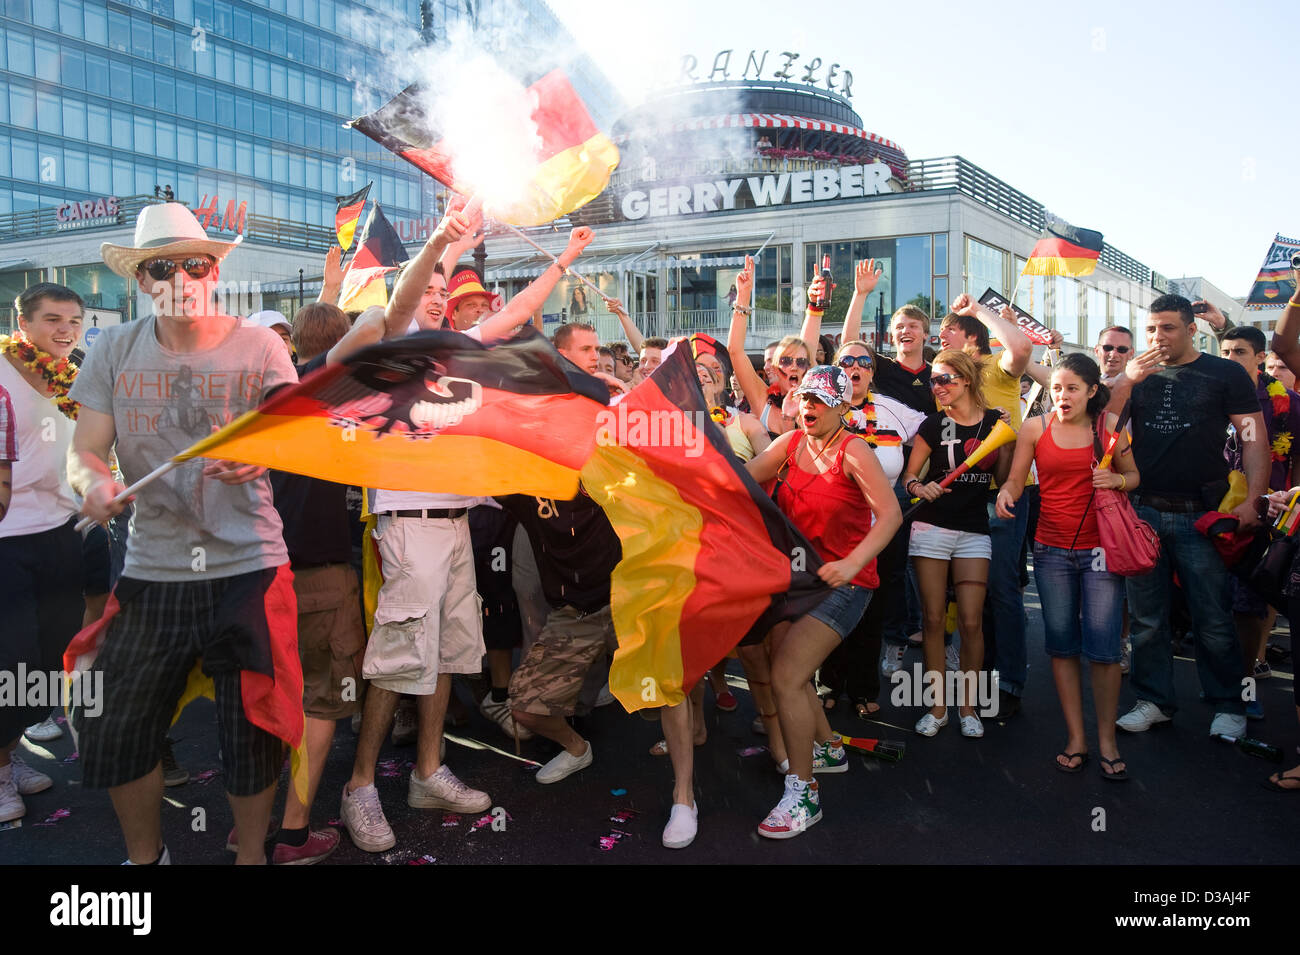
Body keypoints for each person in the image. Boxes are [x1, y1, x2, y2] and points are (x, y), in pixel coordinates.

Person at [70, 202, 298, 865]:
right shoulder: (113, 347)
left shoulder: (261, 345)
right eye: (162, 266)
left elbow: (291, 434)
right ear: (142, 279)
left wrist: (266, 453)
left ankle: (251, 856)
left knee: (252, 728)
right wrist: (93, 484)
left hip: (248, 563)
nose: (181, 276)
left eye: (195, 262)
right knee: (114, 728)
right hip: (153, 567)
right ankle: (147, 862)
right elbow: (85, 450)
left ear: (213, 269)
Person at [743, 362, 901, 837]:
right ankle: (828, 746)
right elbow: (740, 484)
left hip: (846, 584)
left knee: (787, 675)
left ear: (843, 406)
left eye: (821, 400)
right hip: (800, 580)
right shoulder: (789, 444)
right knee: (789, 666)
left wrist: (853, 564)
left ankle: (803, 793)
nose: (809, 407)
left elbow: (890, 516)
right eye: (805, 397)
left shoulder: (853, 451)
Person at [1114, 294, 1265, 740]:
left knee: (1214, 619)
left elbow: (1253, 436)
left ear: (1191, 329)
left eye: (1168, 328)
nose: (1158, 337)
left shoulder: (1225, 372)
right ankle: (1153, 701)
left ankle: (1228, 705)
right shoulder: (1136, 375)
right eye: (1152, 329)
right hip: (1144, 512)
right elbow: (1103, 428)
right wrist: (1127, 379)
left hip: (1202, 515)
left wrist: (1254, 499)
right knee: (1146, 620)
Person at [996, 354, 1138, 780]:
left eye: (1072, 388)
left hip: (1100, 550)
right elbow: (1016, 479)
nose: (1062, 396)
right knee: (1061, 646)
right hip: (1050, 551)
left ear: (1092, 391)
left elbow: (1134, 476)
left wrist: (1117, 479)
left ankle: (1107, 741)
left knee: (1104, 650)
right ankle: (1077, 737)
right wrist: (1007, 492)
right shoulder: (1035, 428)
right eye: (1057, 388)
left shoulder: (1109, 430)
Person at [258, 302, 365, 864]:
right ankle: (294, 833)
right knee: (322, 704)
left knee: (268, 700)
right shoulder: (340, 399)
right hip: (322, 575)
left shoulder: (264, 397)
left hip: (260, 574)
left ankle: (249, 827)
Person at [0, 283, 85, 824]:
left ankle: (14, 744)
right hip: (7, 538)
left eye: (74, 321)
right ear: (22, 323)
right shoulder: (3, 373)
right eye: (52, 319)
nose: (65, 330)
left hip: (62, 532)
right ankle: (2, 767)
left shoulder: (71, 378)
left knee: (51, 655)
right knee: (10, 657)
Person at [901, 349, 1009, 738]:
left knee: (971, 621)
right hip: (931, 528)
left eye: (945, 379)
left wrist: (1006, 440)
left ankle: (968, 708)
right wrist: (920, 486)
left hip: (974, 530)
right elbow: (908, 477)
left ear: (966, 380)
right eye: (934, 380)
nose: (939, 386)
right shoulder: (933, 425)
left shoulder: (995, 423)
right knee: (932, 620)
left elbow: (1004, 475)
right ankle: (937, 707)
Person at [938, 293, 1034, 718]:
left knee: (1001, 588)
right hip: (964, 495)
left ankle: (1009, 677)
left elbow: (1021, 349)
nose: (942, 336)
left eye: (950, 329)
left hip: (1005, 492)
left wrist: (978, 309)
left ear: (973, 336)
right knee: (969, 590)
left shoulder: (998, 367)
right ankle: (981, 669)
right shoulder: (945, 377)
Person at [818, 338, 925, 717]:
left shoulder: (891, 410)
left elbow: (934, 427)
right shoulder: (823, 409)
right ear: (836, 368)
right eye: (846, 360)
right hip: (834, 526)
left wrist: (913, 478)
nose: (855, 367)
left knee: (871, 609)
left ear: (872, 372)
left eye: (864, 361)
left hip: (882, 528)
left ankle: (863, 688)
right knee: (829, 603)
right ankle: (829, 681)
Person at [1216, 321, 1299, 714]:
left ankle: (1245, 688)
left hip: (1265, 516)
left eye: (1240, 353)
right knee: (1213, 606)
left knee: (1250, 606)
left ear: (1261, 358)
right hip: (1212, 515)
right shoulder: (1210, 394)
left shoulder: (1287, 403)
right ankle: (1221, 688)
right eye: (1225, 352)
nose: (1230, 360)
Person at [730, 256, 819, 437]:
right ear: (776, 368)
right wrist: (744, 296)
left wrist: (815, 305)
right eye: (786, 360)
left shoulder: (819, 404)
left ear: (809, 368)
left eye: (801, 362)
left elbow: (809, 345)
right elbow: (735, 351)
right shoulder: (763, 400)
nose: (794, 366)